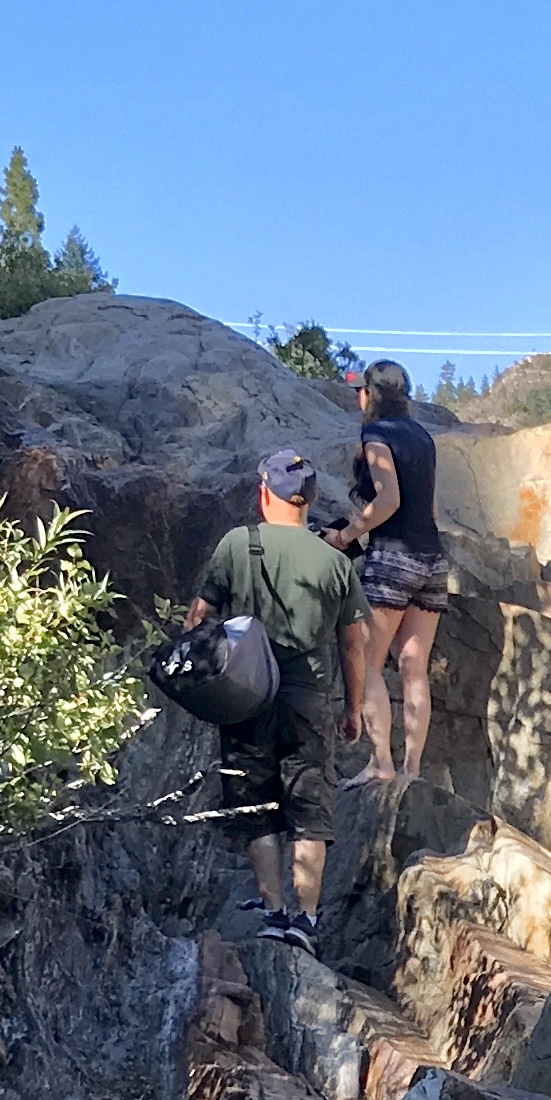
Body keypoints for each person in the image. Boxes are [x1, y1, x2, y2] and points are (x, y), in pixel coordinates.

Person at [188, 448, 368, 947]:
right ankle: (305, 920)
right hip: (309, 698)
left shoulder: (235, 545)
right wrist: (352, 709)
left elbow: (197, 620)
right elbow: (354, 645)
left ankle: (272, 910)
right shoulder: (335, 562)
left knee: (255, 803)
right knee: (310, 806)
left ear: (264, 493)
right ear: (308, 502)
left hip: (246, 696)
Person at [333, 360, 448, 790]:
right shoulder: (424, 438)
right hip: (432, 558)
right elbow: (429, 509)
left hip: (394, 559)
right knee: (414, 667)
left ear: (370, 395)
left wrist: (346, 536)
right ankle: (412, 770)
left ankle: (381, 762)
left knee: (365, 661)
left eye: (360, 391)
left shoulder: (376, 435)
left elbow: (388, 500)